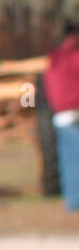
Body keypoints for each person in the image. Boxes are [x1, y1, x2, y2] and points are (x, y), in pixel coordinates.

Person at [43, 23, 79, 211]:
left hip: (59, 114)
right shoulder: (73, 57)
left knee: (68, 158)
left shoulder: (53, 59)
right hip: (73, 112)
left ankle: (72, 198)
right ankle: (75, 200)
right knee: (75, 158)